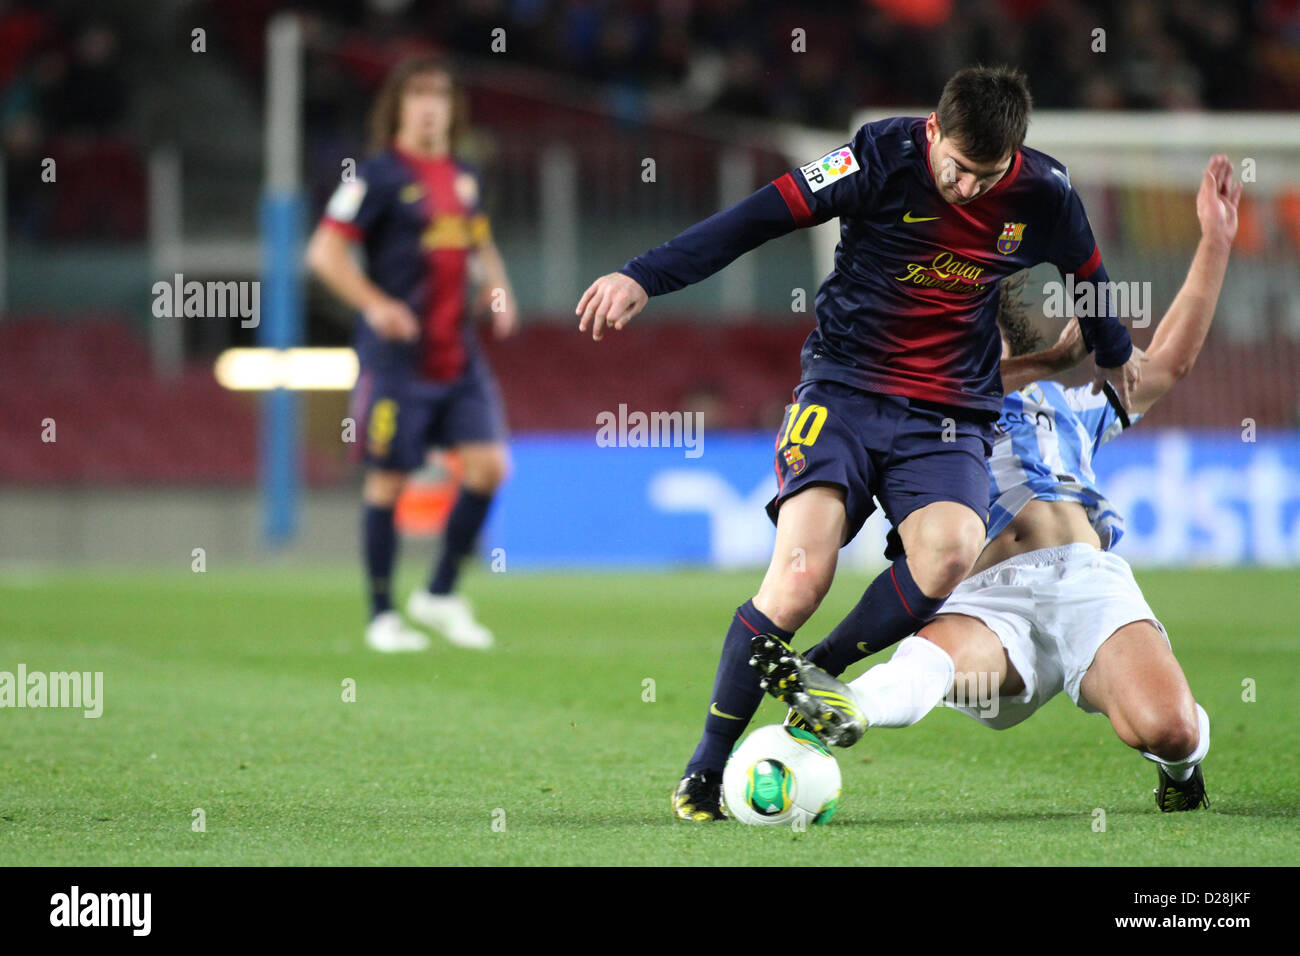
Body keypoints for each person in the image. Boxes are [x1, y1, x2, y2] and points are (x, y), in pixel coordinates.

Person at [575, 65, 1142, 821]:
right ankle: (706, 769)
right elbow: (758, 216)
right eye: (959, 169)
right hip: (842, 390)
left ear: (1016, 155)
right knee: (802, 578)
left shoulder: (1046, 192)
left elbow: (1090, 272)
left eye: (988, 174)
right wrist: (643, 275)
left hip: (948, 412)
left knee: (947, 553)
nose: (970, 188)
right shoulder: (874, 156)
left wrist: (1113, 349)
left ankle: (819, 669)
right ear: (934, 131)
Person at [754, 155, 1241, 812]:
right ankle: (842, 707)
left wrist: (1215, 242)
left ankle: (1182, 773)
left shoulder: (1064, 403)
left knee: (1169, 729)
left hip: (1084, 585)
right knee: (924, 666)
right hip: (982, 599)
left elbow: (1170, 365)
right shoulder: (915, 412)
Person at [305, 55, 517, 652]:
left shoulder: (465, 177)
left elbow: (481, 242)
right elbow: (323, 254)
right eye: (418, 95)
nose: (430, 106)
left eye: (441, 95)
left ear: (453, 108)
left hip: (459, 354)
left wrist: (498, 289)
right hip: (397, 359)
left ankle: (440, 593)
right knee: (388, 482)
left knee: (490, 467)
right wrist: (375, 304)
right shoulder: (374, 176)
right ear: (397, 106)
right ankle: (381, 614)